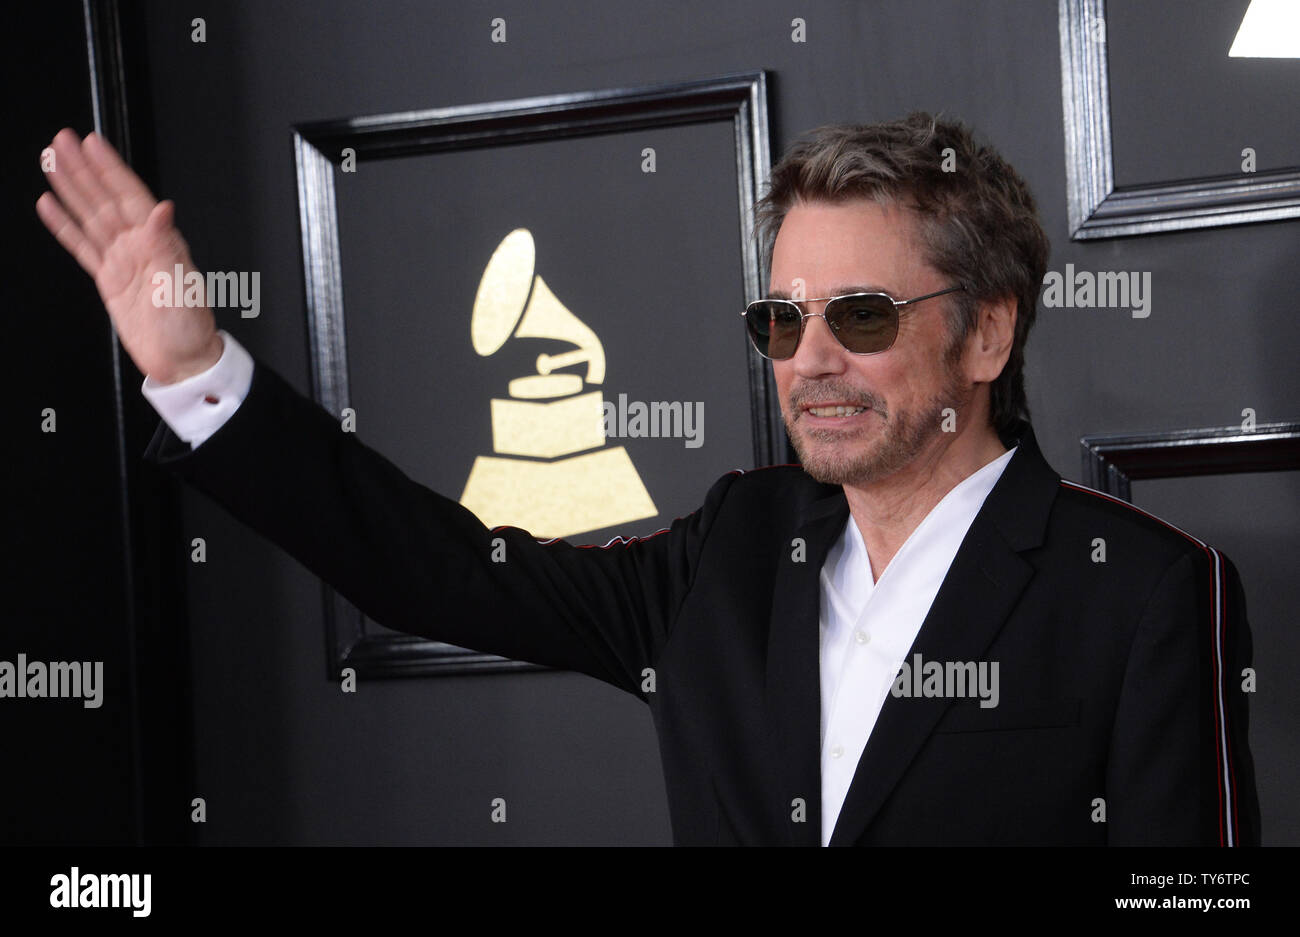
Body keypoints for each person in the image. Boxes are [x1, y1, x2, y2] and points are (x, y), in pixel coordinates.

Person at [36, 113, 1260, 846]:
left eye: (863, 314)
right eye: (781, 321)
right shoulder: (733, 546)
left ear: (987, 335)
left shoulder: (1144, 591)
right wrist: (199, 369)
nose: (812, 360)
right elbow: (445, 576)